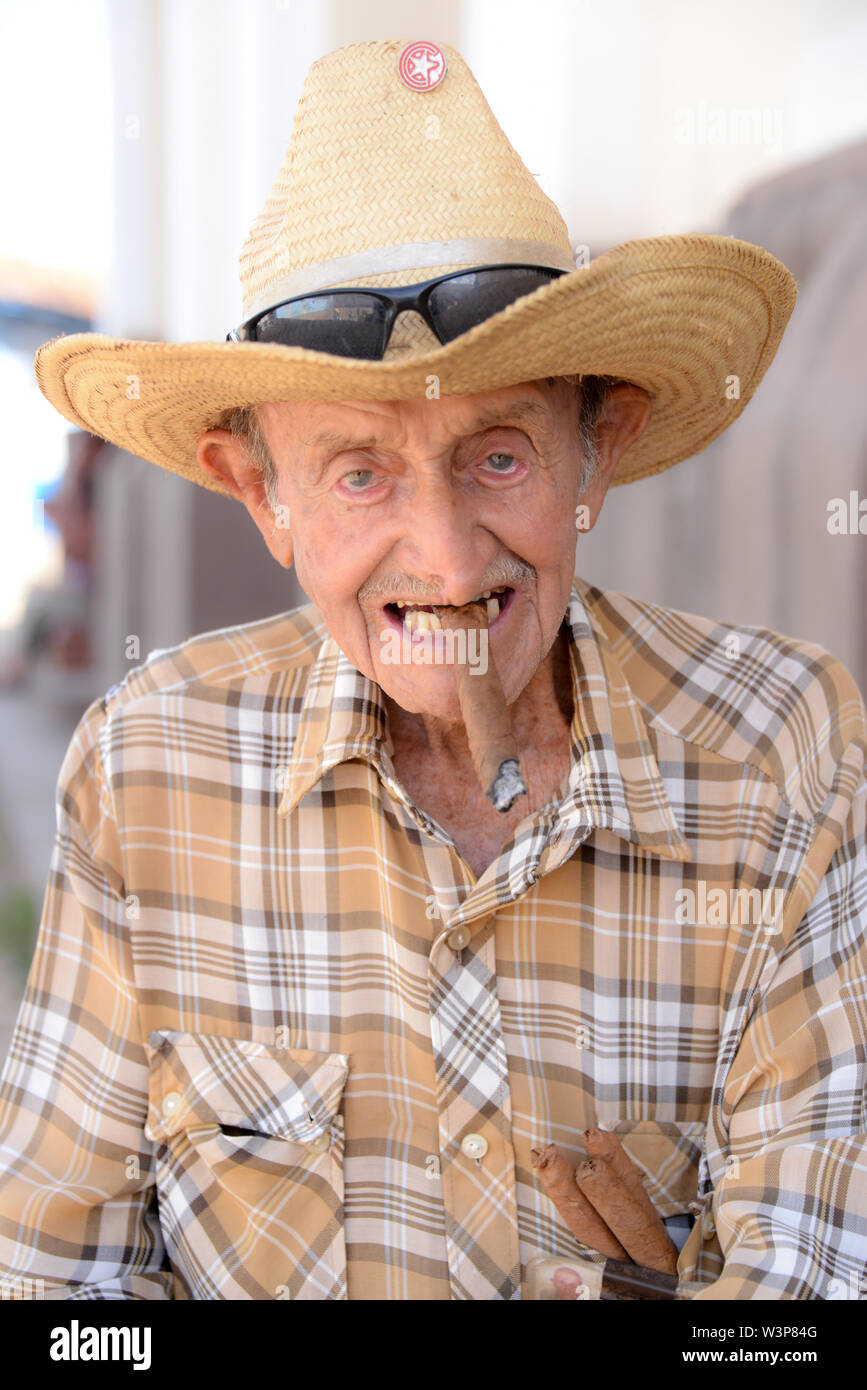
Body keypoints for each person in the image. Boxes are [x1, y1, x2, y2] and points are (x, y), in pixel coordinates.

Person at [0, 38, 864, 1302]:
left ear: (595, 453)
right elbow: (58, 1307)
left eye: (500, 454)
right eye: (359, 472)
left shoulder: (788, 750)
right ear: (264, 496)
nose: (449, 558)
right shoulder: (149, 773)